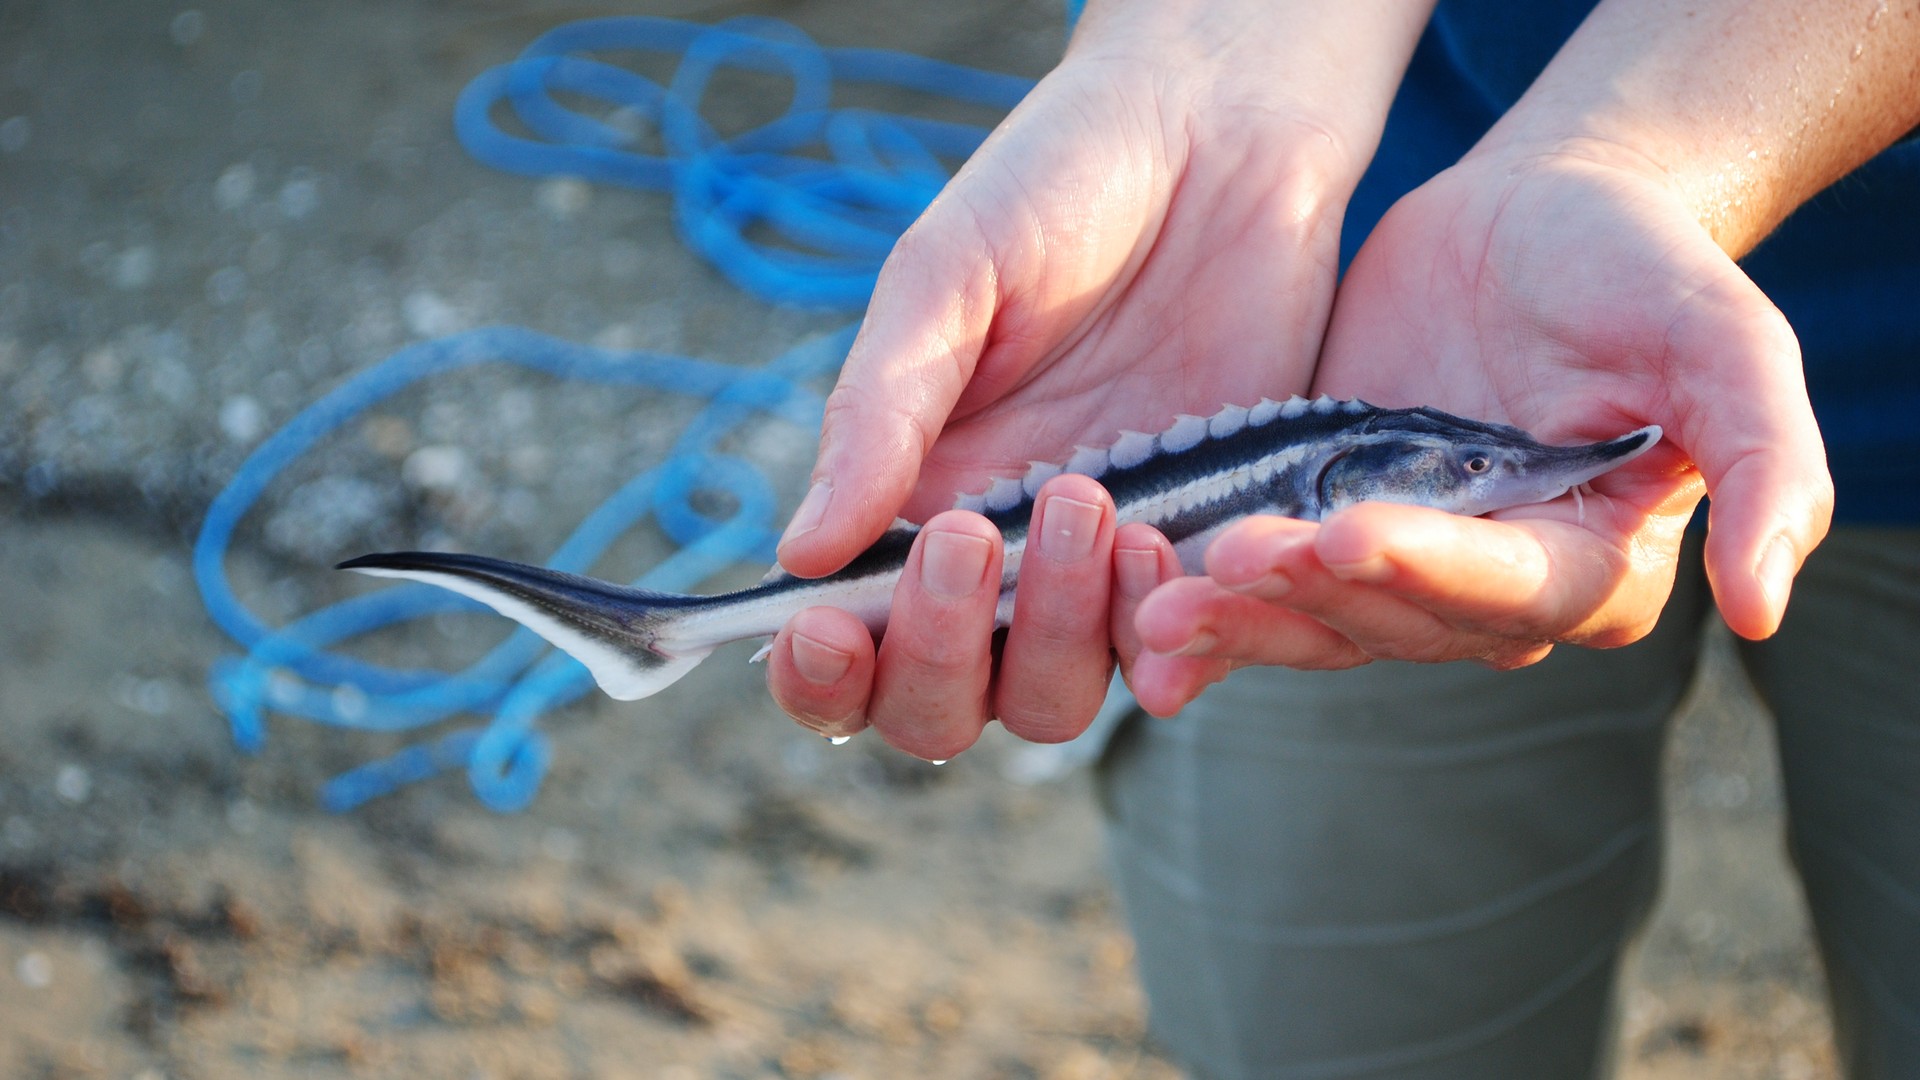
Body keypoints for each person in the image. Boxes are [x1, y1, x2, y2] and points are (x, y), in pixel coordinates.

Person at [764, 1, 1920, 1075]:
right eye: (1469, 471)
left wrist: (1638, 157)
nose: (1485, 478)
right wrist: (1206, 72)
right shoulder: (1315, 447)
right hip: (1328, 288)